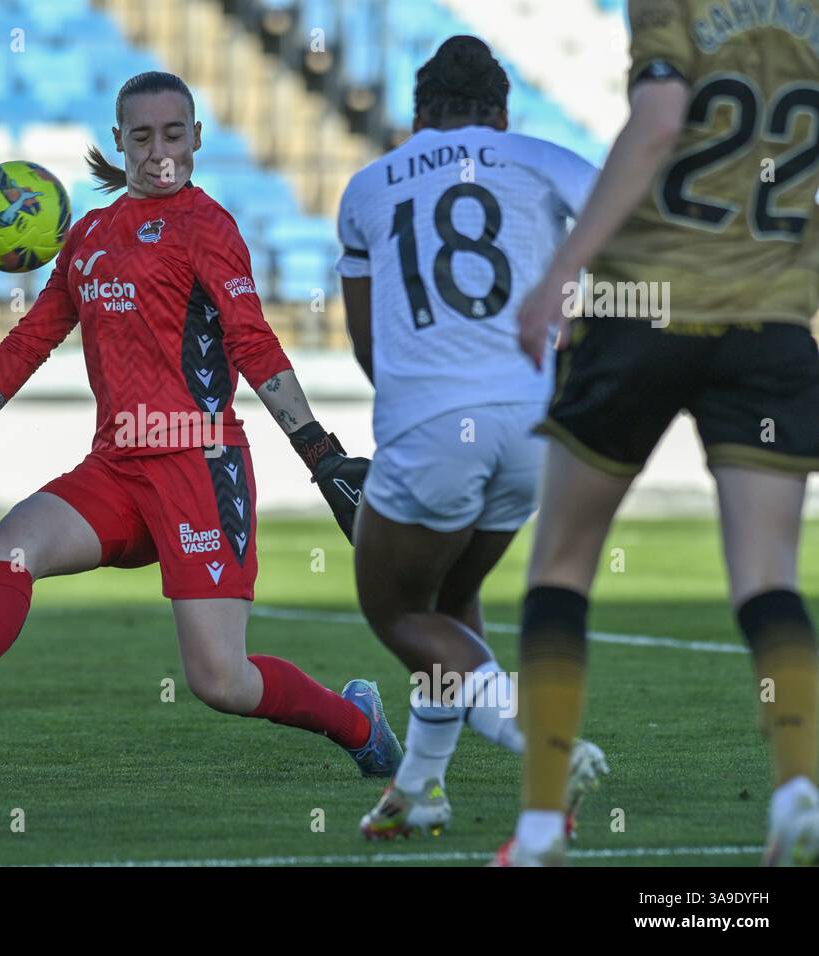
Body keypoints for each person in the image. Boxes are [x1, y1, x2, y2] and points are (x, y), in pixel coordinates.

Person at [0, 71, 402, 779]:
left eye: (173, 133)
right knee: (12, 545)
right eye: (142, 136)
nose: (159, 150)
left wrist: (322, 456)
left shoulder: (208, 228)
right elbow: (27, 343)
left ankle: (358, 723)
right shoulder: (91, 235)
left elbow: (253, 343)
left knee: (220, 681)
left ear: (196, 136)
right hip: (118, 469)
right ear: (118, 143)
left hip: (200, 468)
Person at [499, 0, 819, 866]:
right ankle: (797, 787)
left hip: (646, 308)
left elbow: (658, 120)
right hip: (774, 321)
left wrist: (562, 272)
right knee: (767, 576)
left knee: (562, 562)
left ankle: (536, 827)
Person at [337, 35, 608, 841]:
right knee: (450, 601)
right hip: (532, 420)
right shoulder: (535, 155)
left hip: (431, 420)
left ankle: (535, 738)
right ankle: (419, 790)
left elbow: (364, 343)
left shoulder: (369, 184)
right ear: (500, 113)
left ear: (418, 118)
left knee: (393, 609)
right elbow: (622, 225)